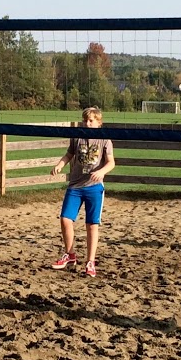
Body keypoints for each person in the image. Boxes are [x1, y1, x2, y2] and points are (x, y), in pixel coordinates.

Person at [50, 105, 115, 277]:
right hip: (75, 186)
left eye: (91, 120)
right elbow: (69, 154)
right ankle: (70, 255)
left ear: (99, 123)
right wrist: (59, 165)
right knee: (65, 219)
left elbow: (111, 162)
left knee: (92, 225)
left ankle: (90, 262)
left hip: (94, 187)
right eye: (85, 120)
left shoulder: (105, 140)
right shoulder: (77, 137)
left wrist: (101, 172)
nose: (87, 123)